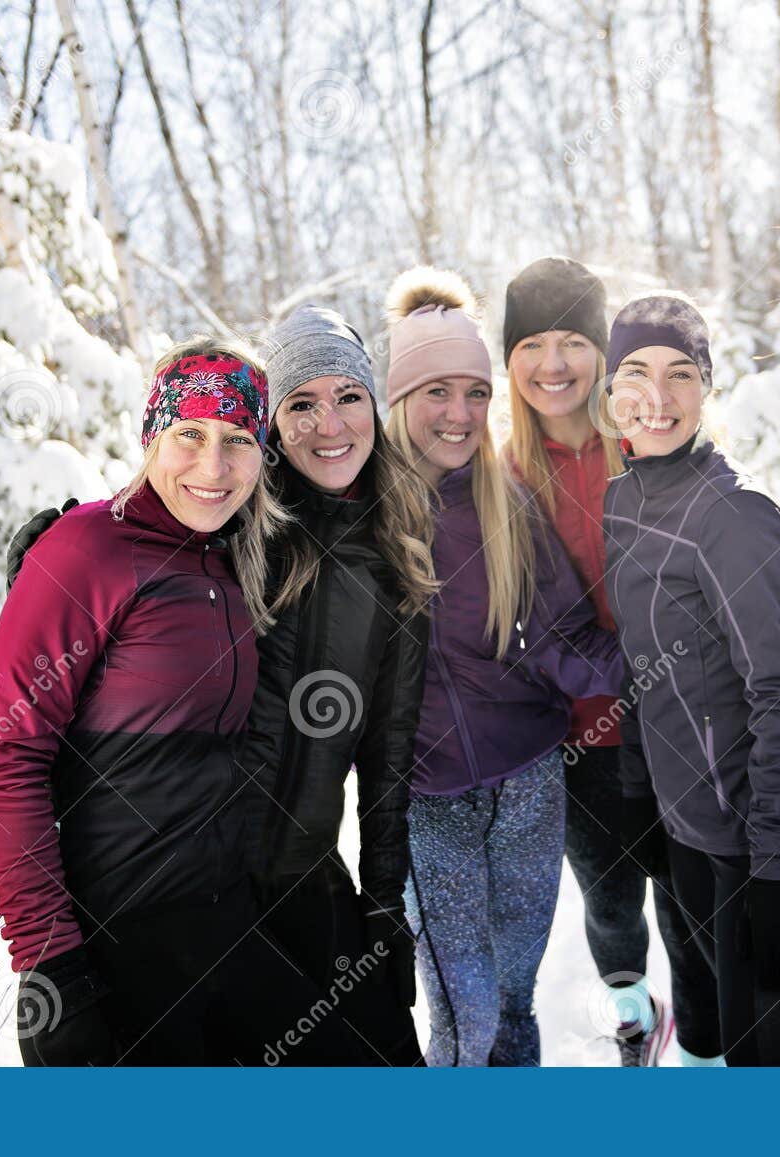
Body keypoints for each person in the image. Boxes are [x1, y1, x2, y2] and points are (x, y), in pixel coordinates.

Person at [0, 338, 361, 1066]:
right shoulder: (86, 549)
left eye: (239, 440)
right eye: (191, 435)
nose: (214, 467)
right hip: (114, 950)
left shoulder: (227, 556)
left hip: (229, 925)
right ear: (153, 433)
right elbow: (3, 761)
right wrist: (51, 966)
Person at [382, 266, 623, 1066]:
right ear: (399, 399)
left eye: (475, 393)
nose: (458, 414)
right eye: (435, 392)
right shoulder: (361, 512)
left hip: (530, 779)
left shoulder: (507, 498)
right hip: (429, 798)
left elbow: (563, 633)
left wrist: (666, 667)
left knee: (515, 999)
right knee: (467, 1008)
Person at [602, 292, 780, 1066]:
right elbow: (639, 667)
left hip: (761, 847)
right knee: (735, 1050)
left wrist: (774, 864)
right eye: (636, 373)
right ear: (612, 393)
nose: (658, 398)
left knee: (768, 1064)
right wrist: (641, 795)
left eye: (681, 374)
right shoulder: (623, 503)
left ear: (706, 387)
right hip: (687, 839)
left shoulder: (733, 516)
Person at [501, 256, 717, 1066]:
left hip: (687, 727)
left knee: (691, 903)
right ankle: (634, 1010)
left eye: (572, 341)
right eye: (531, 344)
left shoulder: (648, 436)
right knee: (613, 901)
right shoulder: (503, 477)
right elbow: (529, 623)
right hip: (582, 739)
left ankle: (704, 1045)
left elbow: (721, 533)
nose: (553, 364)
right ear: (510, 358)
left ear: (601, 350)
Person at [236, 303, 440, 1065]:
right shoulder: (234, 532)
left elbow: (388, 754)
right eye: (301, 403)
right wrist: (59, 556)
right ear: (272, 425)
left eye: (348, 396)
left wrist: (385, 900)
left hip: (312, 881)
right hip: (201, 887)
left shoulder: (396, 551)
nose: (330, 424)